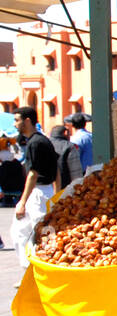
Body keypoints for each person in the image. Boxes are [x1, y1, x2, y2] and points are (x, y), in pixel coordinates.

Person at [9, 106, 60, 285]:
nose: (15, 124)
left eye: (17, 120)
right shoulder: (42, 140)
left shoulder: (35, 143)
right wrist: (57, 193)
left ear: (27, 121)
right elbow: (57, 167)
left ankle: (41, 272)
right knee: (23, 232)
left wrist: (22, 201)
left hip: (38, 193)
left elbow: (33, 174)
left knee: (40, 233)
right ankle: (32, 272)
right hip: (42, 192)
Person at [48, 123, 84, 189]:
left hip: (47, 189)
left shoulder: (44, 144)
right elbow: (76, 173)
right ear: (65, 133)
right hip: (64, 189)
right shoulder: (69, 146)